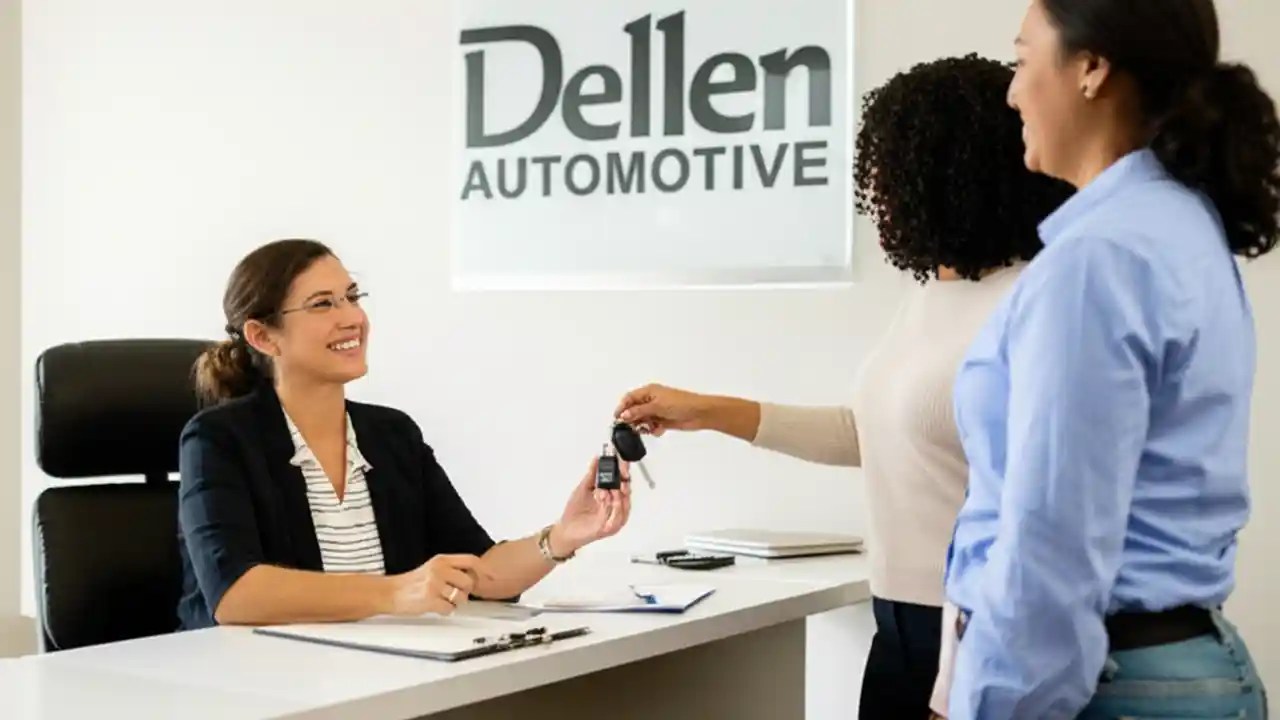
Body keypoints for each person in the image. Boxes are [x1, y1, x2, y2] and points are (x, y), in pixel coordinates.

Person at [613, 55, 1073, 719]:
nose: (876, 188)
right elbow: (871, 432)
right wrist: (706, 412)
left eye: (891, 164)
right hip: (897, 626)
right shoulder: (930, 296)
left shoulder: (1032, 301)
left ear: (946, 169)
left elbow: (1033, 506)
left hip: (979, 632)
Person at [935, 0, 1280, 717]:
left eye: (1023, 59)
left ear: (1091, 67)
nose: (1011, 91)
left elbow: (1051, 552)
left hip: (1107, 685)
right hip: (1179, 668)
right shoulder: (1179, 226)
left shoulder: (1096, 261)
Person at [177, 239, 631, 629]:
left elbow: (481, 571)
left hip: (382, 670)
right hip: (264, 681)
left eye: (352, 297)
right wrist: (395, 593)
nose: (352, 317)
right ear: (263, 336)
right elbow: (236, 595)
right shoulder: (219, 439)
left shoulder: (391, 434)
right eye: (323, 304)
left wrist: (564, 536)